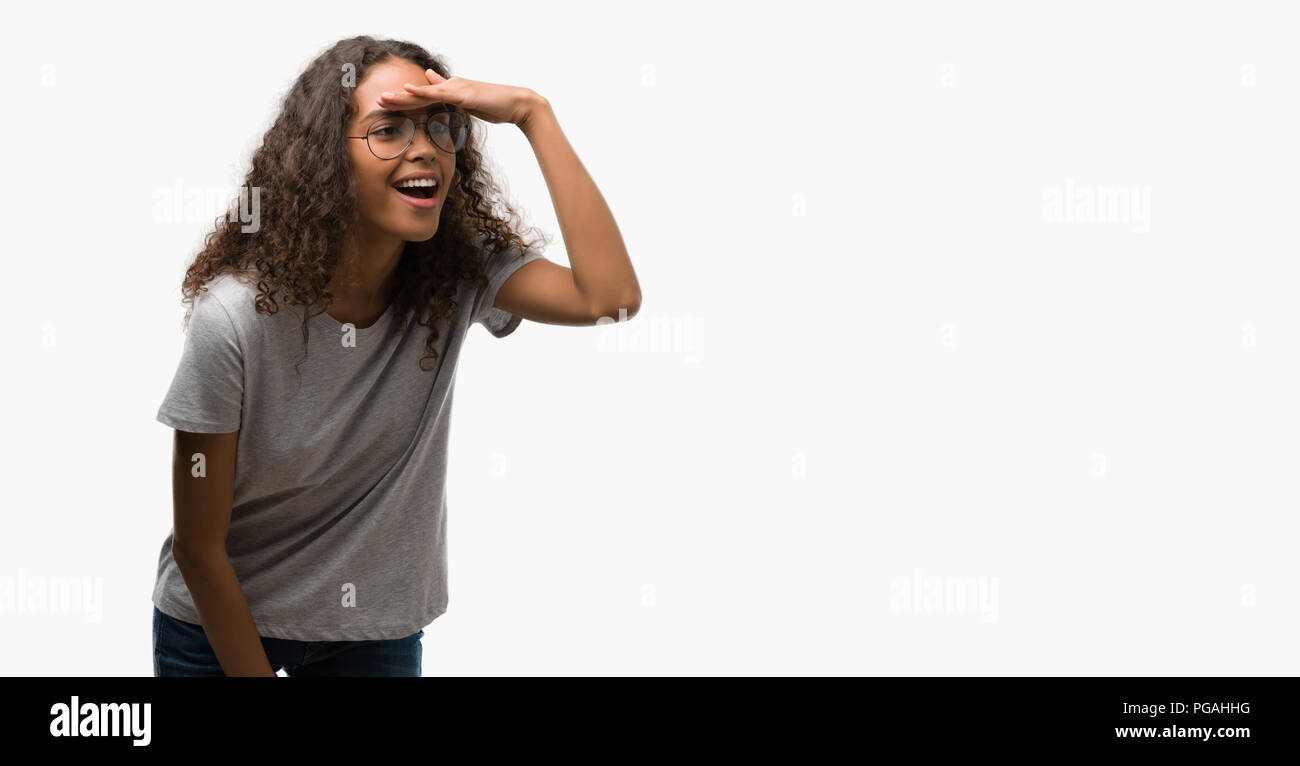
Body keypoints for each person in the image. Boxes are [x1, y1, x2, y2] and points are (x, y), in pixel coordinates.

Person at [151, 35, 640, 677]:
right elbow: (199, 547)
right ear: (327, 160)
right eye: (388, 130)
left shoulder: (456, 275)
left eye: (439, 127)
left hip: (372, 634)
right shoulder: (234, 319)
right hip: (220, 632)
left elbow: (609, 297)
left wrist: (532, 114)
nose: (424, 150)